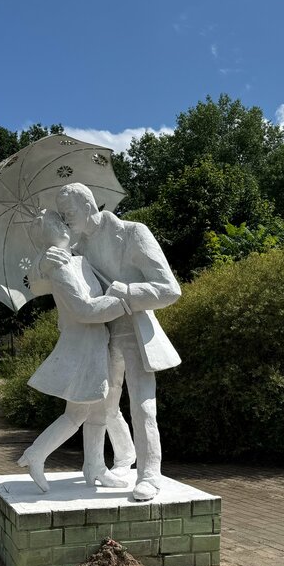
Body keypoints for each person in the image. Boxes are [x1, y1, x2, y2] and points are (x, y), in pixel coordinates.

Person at [47, 183, 181, 501]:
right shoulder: (76, 248)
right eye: (63, 217)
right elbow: (67, 289)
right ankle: (94, 466)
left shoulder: (134, 233)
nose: (66, 222)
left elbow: (170, 289)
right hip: (101, 334)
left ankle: (149, 475)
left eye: (69, 214)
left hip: (135, 332)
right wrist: (49, 260)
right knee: (100, 405)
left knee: (143, 405)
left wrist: (129, 291)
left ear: (89, 206)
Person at [17, 209, 134, 492]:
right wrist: (125, 301)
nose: (68, 224)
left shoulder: (76, 259)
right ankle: (36, 455)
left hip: (96, 344)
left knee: (98, 411)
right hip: (83, 346)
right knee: (77, 414)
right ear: (57, 230)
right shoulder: (58, 264)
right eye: (60, 222)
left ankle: (94, 467)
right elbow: (83, 309)